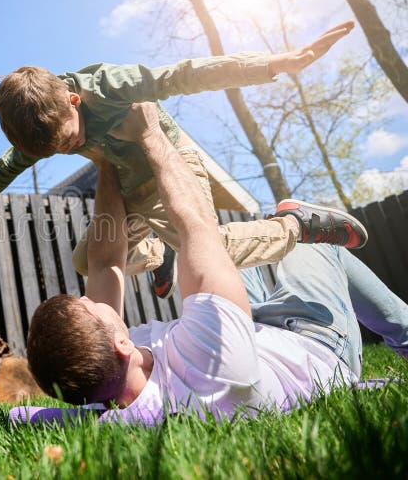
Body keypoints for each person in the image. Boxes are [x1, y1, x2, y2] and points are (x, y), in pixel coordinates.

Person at [24, 102, 408, 425]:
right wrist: (150, 134)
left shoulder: (105, 397)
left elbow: (104, 259)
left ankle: (170, 258)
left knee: (232, 248)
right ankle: (402, 337)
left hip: (255, 332)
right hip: (318, 348)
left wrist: (105, 163)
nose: (96, 301)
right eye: (94, 308)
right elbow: (193, 222)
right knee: (312, 246)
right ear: (122, 343)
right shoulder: (210, 364)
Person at [0, 21, 365, 298]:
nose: (66, 149)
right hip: (128, 187)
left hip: (169, 163)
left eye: (68, 140)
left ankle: (294, 226)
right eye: (54, 151)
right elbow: (6, 167)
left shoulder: (109, 85)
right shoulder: (40, 126)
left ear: (73, 100)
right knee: (85, 261)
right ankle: (157, 255)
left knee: (204, 251)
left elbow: (184, 74)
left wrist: (274, 64)